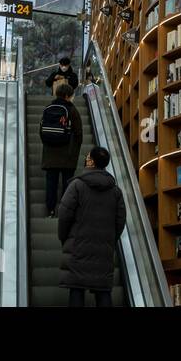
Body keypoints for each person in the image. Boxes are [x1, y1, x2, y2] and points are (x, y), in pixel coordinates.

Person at [57, 145, 126, 307]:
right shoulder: (116, 192)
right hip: (104, 250)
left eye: (88, 157)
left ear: (91, 162)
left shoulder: (77, 186)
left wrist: (64, 238)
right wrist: (109, 239)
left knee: (76, 288)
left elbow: (64, 215)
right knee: (103, 291)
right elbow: (120, 221)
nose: (86, 159)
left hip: (78, 247)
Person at [40, 82, 82, 217]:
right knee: (67, 184)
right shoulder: (72, 110)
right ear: (67, 96)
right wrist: (75, 151)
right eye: (72, 95)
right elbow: (78, 133)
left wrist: (47, 146)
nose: (73, 98)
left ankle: (50, 210)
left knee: (51, 183)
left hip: (50, 154)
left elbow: (41, 130)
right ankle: (65, 211)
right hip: (67, 155)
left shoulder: (48, 108)